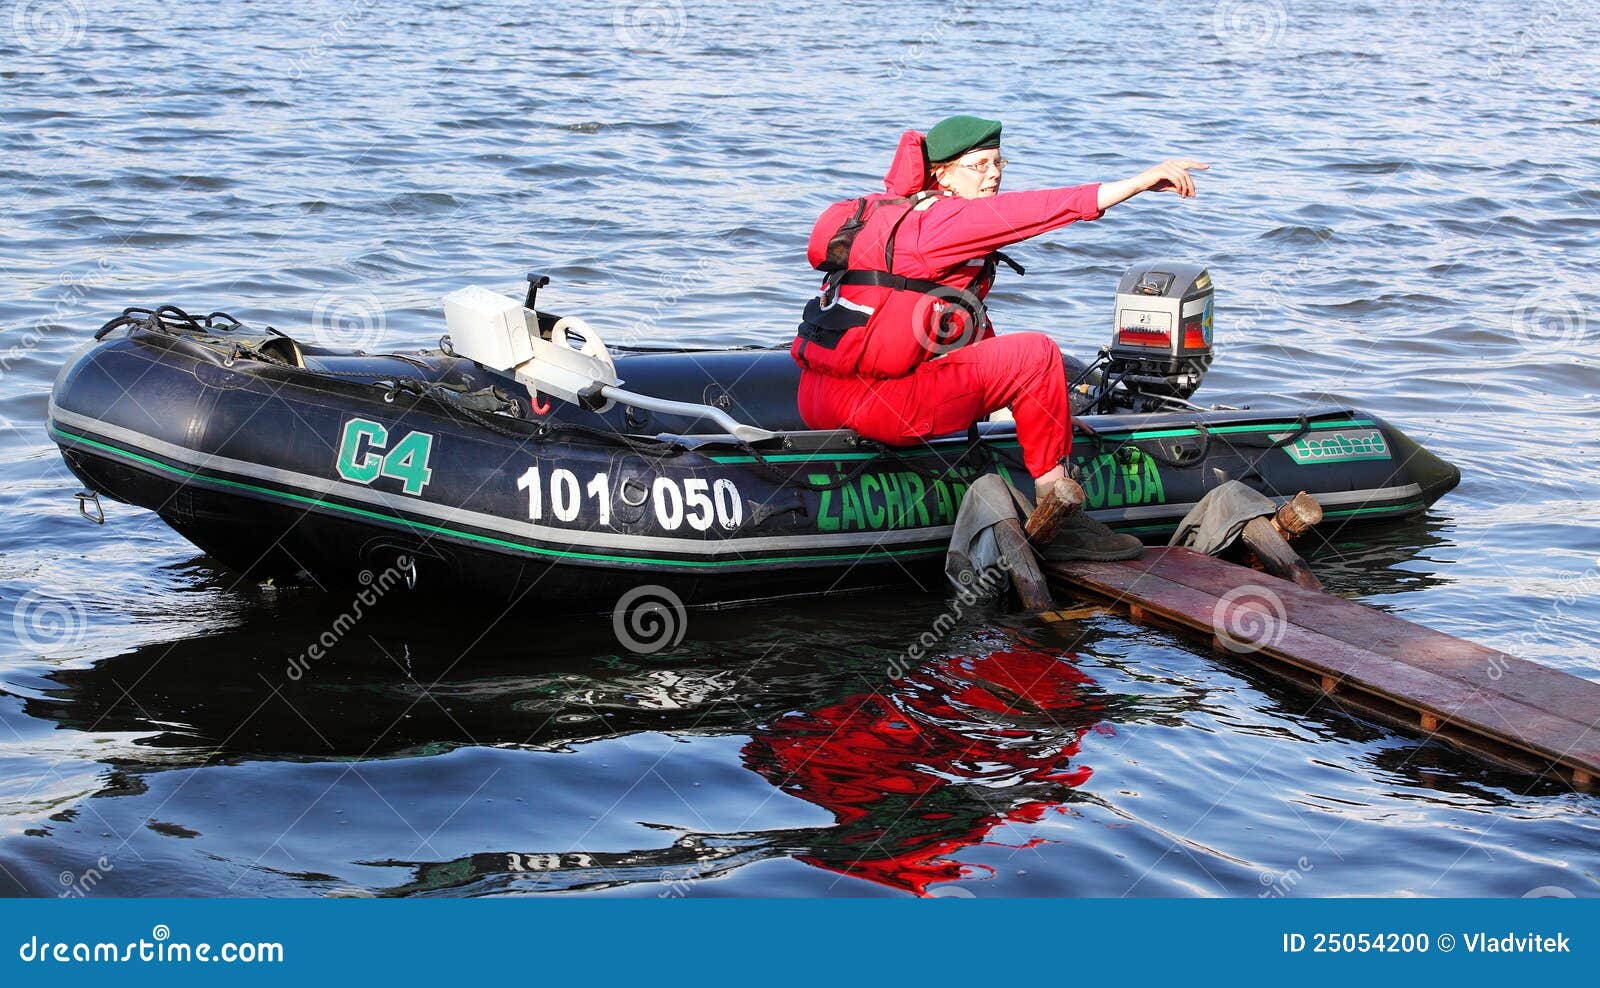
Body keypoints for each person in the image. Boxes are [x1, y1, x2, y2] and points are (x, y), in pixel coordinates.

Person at [792, 114, 1206, 559]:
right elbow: (1044, 209)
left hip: (816, 399)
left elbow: (955, 331)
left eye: (999, 163)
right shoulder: (946, 221)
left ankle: (1040, 445)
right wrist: (1141, 181)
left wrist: (1051, 412)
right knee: (1038, 353)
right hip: (885, 410)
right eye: (979, 165)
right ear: (942, 173)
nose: (993, 175)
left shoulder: (884, 215)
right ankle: (1061, 519)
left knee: (1009, 361)